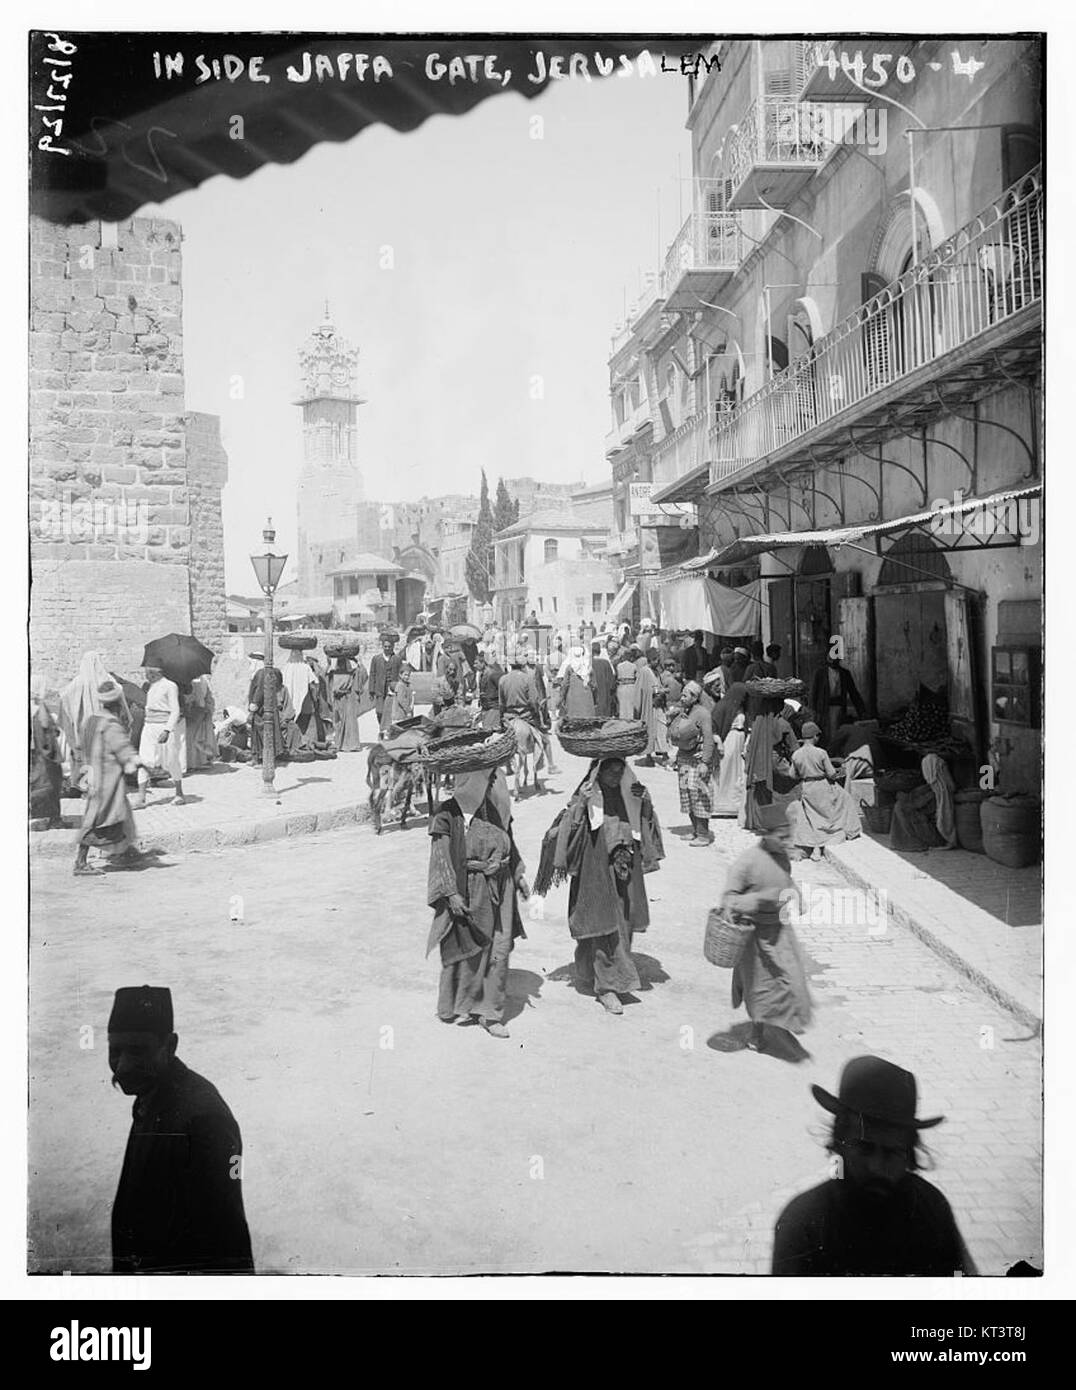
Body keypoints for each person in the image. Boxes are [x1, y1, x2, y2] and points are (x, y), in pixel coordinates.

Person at [772, 1056, 976, 1276]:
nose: (877, 1167)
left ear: (908, 1154)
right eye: (864, 1148)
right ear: (840, 1143)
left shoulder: (931, 1208)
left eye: (892, 1152)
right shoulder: (803, 1223)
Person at [109, 986, 254, 1274]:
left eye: (138, 1050)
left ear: (171, 1045)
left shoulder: (205, 1120)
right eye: (115, 1050)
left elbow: (225, 1238)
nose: (122, 1066)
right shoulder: (150, 1094)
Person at [538, 756, 664, 1015]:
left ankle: (600, 975)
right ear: (598, 773)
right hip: (595, 873)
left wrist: (645, 801)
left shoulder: (628, 795)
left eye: (621, 771)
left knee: (623, 926)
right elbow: (568, 832)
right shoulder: (586, 796)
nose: (616, 776)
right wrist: (582, 804)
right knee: (602, 927)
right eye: (610, 771)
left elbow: (643, 827)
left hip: (624, 872)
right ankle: (607, 987)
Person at [426, 767, 530, 1039]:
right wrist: (450, 893)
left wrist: (518, 875)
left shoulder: (493, 808)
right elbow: (440, 856)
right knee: (470, 947)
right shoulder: (447, 812)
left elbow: (510, 842)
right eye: (489, 778)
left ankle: (490, 1012)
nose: (493, 783)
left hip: (501, 885)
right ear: (471, 779)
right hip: (468, 887)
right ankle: (457, 1004)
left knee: (500, 946)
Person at [722, 803, 812, 1056]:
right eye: (780, 837)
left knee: (790, 976)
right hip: (754, 936)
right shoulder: (748, 862)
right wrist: (758, 900)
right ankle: (757, 1032)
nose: (785, 842)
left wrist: (797, 895)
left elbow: (786, 880)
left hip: (780, 929)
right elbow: (729, 899)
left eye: (788, 836)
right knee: (760, 988)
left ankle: (788, 1019)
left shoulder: (782, 856)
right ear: (766, 834)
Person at [74, 681, 152, 875]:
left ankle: (125, 853)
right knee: (100, 820)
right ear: (118, 701)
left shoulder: (90, 719)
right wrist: (140, 763)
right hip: (107, 780)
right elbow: (123, 748)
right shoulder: (110, 723)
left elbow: (80, 746)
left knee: (121, 815)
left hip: (92, 776)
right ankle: (81, 863)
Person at [787, 722, 863, 857]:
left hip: (807, 787)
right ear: (815, 736)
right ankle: (848, 831)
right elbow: (832, 774)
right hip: (823, 786)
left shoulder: (796, 754)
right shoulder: (821, 753)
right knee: (845, 799)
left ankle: (814, 844)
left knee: (812, 815)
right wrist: (841, 771)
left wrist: (804, 773)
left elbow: (792, 775)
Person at [742, 695, 800, 832]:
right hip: (775, 762)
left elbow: (750, 745)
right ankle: (785, 819)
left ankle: (761, 821)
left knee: (762, 791)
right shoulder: (783, 724)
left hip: (758, 760)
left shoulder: (758, 722)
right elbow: (794, 748)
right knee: (791, 785)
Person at [670, 680, 718, 846]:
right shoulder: (686, 711)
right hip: (684, 759)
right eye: (682, 694)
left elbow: (708, 738)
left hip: (697, 760)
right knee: (687, 795)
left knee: (699, 795)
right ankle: (695, 830)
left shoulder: (703, 714)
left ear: (695, 697)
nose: (682, 698)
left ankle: (703, 834)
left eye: (686, 695)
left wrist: (705, 761)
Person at [138, 666, 188, 805]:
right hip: (149, 727)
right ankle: (141, 797)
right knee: (143, 760)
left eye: (148, 672)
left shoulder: (170, 686)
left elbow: (175, 710)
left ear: (155, 673)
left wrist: (167, 730)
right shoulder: (150, 687)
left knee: (172, 761)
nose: (146, 675)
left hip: (164, 726)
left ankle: (179, 793)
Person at [890, 752, 958, 852]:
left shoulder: (939, 791)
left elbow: (915, 805)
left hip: (937, 837)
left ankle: (911, 840)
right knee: (900, 807)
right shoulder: (932, 789)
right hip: (930, 833)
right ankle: (909, 839)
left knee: (901, 807)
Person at [810, 654, 867, 746]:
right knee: (824, 735)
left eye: (835, 658)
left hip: (839, 708)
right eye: (830, 657)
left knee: (837, 735)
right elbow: (814, 693)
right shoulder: (820, 673)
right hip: (824, 709)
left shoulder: (845, 674)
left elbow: (854, 693)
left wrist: (862, 711)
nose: (833, 660)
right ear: (827, 658)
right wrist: (813, 712)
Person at [711, 681, 748, 817]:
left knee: (737, 773)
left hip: (739, 741)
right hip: (729, 740)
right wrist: (719, 743)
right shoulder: (723, 706)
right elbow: (713, 726)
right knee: (725, 771)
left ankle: (734, 804)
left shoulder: (741, 707)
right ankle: (719, 804)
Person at [30, 675, 63, 824]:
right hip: (44, 756)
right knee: (47, 784)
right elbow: (47, 729)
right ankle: (47, 819)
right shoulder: (39, 709)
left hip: (34, 756)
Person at [282, 648, 319, 750]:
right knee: (307, 723)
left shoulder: (286, 667)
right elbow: (313, 683)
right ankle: (307, 744)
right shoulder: (305, 667)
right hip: (305, 701)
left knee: (294, 722)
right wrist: (315, 698)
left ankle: (293, 744)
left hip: (290, 700)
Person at [634, 647, 662, 768]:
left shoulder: (655, 671)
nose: (657, 662)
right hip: (649, 706)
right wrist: (658, 691)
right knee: (649, 730)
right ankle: (648, 756)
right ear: (651, 660)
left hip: (657, 705)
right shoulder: (645, 671)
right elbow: (644, 688)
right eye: (655, 659)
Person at [328, 655, 363, 752]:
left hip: (348, 699)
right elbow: (326, 678)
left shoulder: (351, 673)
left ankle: (350, 744)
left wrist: (356, 660)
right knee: (338, 722)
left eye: (343, 662)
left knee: (350, 721)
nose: (342, 664)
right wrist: (328, 663)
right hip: (338, 700)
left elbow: (362, 673)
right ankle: (340, 743)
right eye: (340, 662)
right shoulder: (333, 673)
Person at [369, 633, 401, 740]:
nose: (387, 649)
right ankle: (382, 728)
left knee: (390, 712)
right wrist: (371, 691)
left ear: (393, 647)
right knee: (379, 711)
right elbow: (372, 674)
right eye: (385, 646)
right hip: (379, 690)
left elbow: (400, 674)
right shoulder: (376, 659)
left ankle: (388, 732)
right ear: (382, 647)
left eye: (389, 647)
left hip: (392, 691)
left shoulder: (397, 659)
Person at [183, 673, 218, 771]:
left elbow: (194, 697)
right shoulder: (204, 679)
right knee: (199, 737)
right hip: (202, 711)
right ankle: (199, 761)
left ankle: (192, 763)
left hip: (194, 711)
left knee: (191, 738)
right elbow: (208, 697)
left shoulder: (194, 681)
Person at [558, 646, 595, 720]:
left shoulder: (569, 668)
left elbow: (565, 684)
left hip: (573, 698)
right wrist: (595, 699)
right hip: (587, 698)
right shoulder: (588, 667)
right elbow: (594, 685)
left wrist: (562, 698)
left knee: (574, 720)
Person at [476, 650, 504, 731]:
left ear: (483, 663)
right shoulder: (482, 674)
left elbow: (501, 688)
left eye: (476, 663)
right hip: (486, 707)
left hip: (493, 707)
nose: (474, 665)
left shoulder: (492, 674)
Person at [591, 639, 617, 718]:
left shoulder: (588, 663)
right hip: (605, 696)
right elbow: (612, 682)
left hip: (593, 698)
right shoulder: (606, 663)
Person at [615, 645, 640, 720]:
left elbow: (616, 677)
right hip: (631, 686)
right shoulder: (634, 666)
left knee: (622, 706)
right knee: (630, 706)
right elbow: (637, 677)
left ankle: (622, 722)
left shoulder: (619, 666)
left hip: (621, 687)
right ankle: (630, 722)